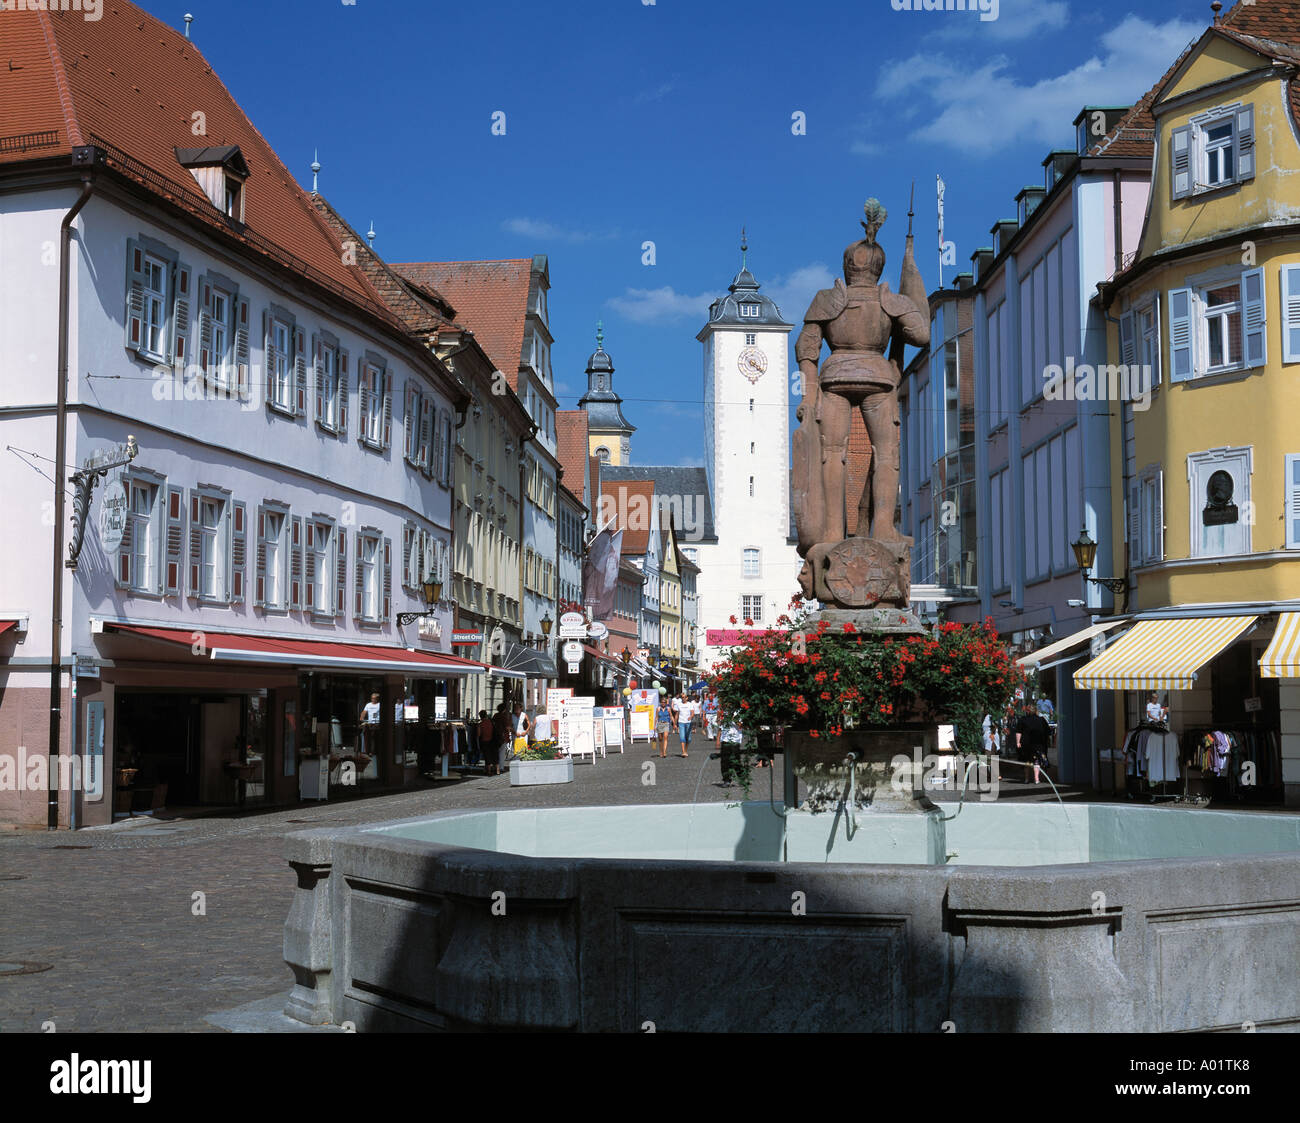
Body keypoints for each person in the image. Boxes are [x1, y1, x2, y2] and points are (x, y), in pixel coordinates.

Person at [1015, 700, 1052, 784]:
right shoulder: (1041, 720)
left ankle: (1027, 779)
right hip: (1038, 744)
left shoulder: (1023, 720)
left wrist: (1018, 742)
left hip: (1026, 744)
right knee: (1036, 761)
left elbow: (1018, 732)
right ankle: (1036, 779)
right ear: (1035, 711)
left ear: (1027, 711)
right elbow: (1048, 732)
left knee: (1027, 761)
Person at [716, 718, 745, 786]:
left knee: (736, 761)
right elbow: (720, 727)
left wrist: (734, 719)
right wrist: (718, 739)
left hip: (735, 740)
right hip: (725, 740)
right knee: (724, 761)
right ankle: (726, 780)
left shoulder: (739, 713)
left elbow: (741, 725)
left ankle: (742, 778)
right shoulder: (724, 713)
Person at [676, 691, 696, 758]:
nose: (683, 698)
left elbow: (693, 712)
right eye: (682, 697)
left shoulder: (690, 704)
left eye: (684, 697)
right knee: (682, 737)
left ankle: (685, 750)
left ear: (687, 698)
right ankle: (683, 752)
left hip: (688, 723)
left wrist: (690, 716)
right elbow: (677, 714)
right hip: (681, 722)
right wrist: (675, 724)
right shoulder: (679, 704)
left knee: (688, 738)